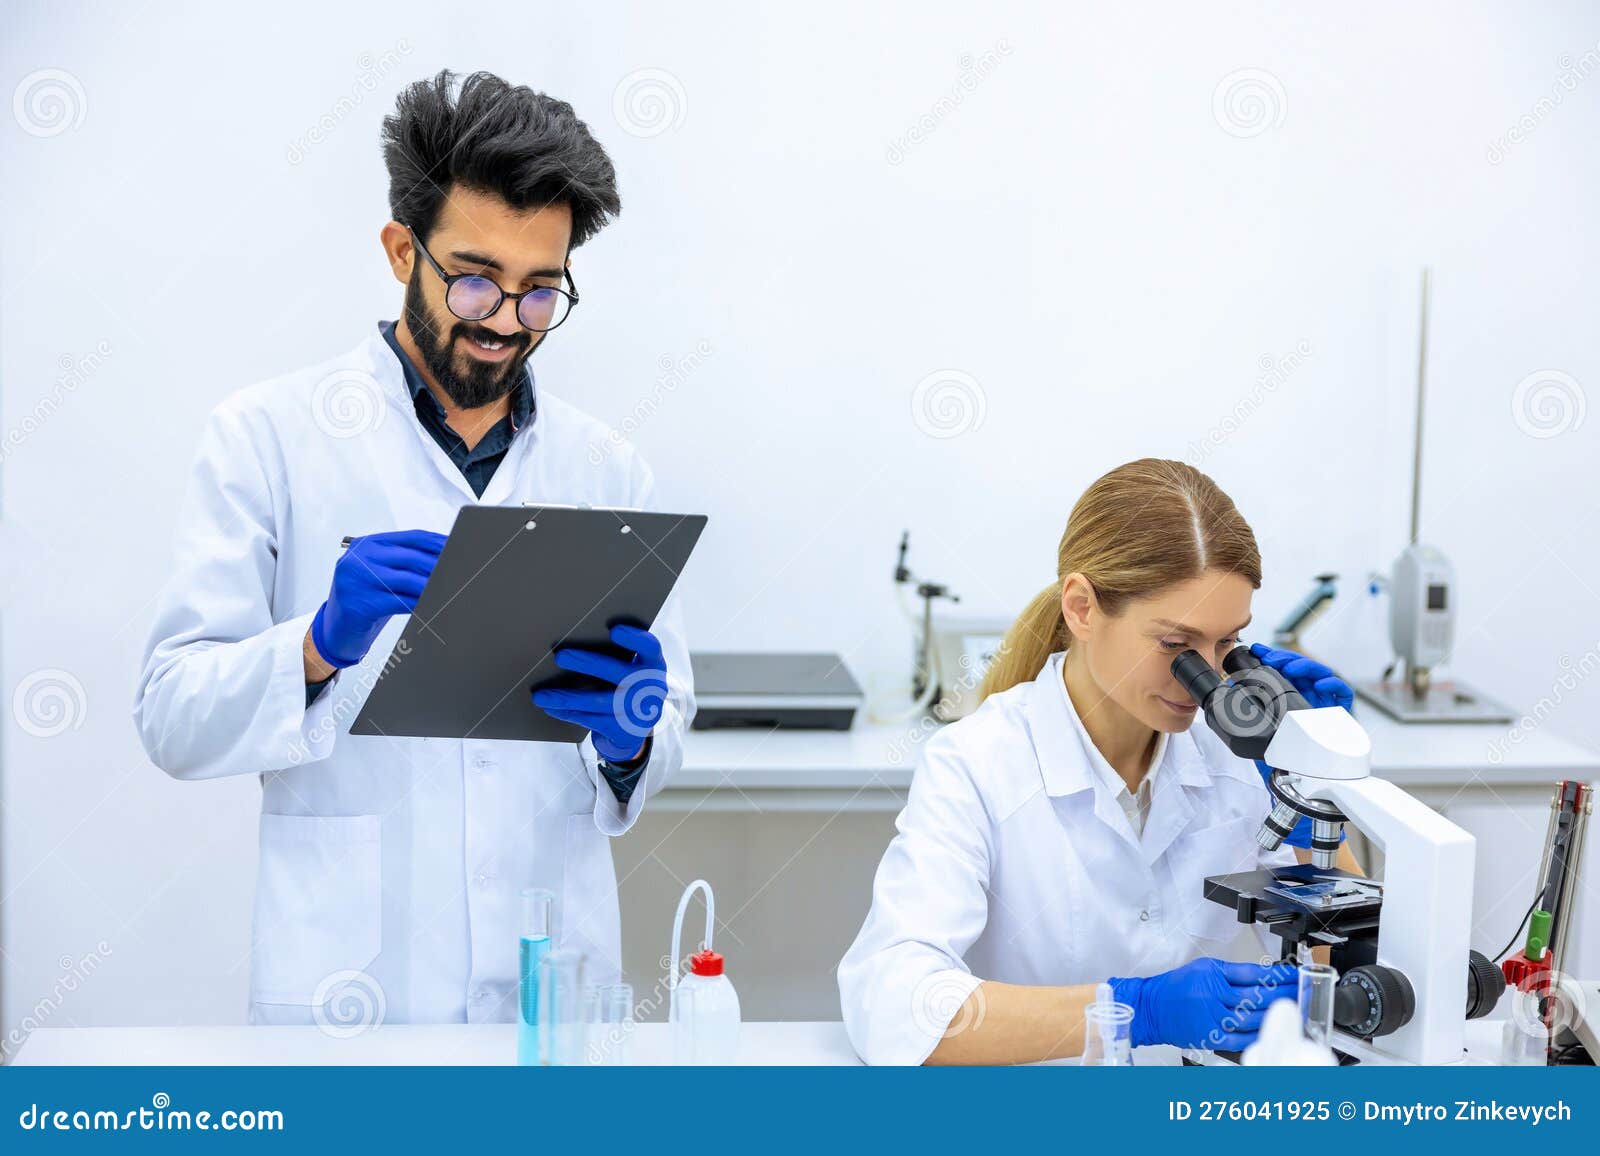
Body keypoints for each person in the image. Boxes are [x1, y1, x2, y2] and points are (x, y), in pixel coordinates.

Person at [133, 71, 692, 1025]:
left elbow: (666, 717)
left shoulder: (609, 469)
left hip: (549, 984)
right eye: (474, 278)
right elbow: (172, 718)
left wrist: (634, 730)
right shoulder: (267, 437)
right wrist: (314, 645)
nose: (502, 321)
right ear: (403, 251)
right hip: (353, 990)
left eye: (538, 293)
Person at [837, 458, 1362, 1064]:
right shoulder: (978, 763)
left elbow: (1340, 977)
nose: (1207, 677)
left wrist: (1315, 794)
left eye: (1227, 644)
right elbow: (895, 1003)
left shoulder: (1244, 755)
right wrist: (1133, 1010)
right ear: (1082, 608)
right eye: (1175, 645)